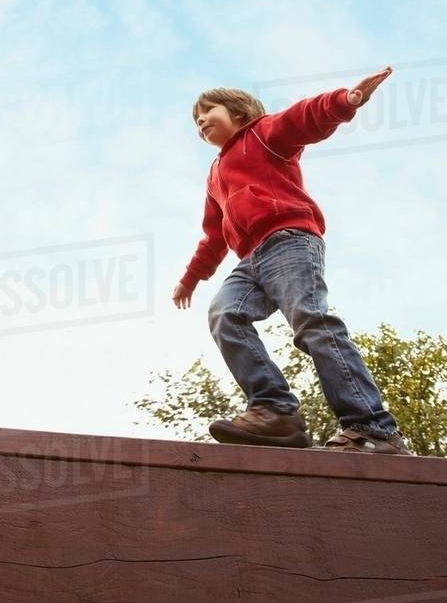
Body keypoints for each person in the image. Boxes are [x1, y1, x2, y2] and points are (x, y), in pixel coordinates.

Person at [172, 67, 412, 455]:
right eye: (195, 121)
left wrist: (344, 101)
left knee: (311, 321)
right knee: (224, 315)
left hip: (288, 240)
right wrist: (191, 278)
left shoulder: (262, 135)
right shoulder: (215, 174)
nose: (200, 121)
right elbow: (214, 234)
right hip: (249, 260)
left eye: (208, 111)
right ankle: (275, 411)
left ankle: (372, 427)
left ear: (239, 111)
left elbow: (302, 119)